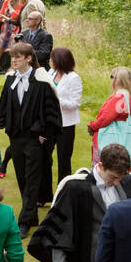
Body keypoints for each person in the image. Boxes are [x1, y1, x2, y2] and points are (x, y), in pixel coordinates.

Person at [0, 42, 63, 237]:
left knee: (33, 180)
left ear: (28, 58)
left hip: (35, 139)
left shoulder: (42, 82)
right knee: (22, 179)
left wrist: (43, 136)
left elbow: (52, 111)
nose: (14, 60)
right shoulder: (10, 80)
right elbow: (4, 105)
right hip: (16, 138)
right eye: (13, 57)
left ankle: (24, 222)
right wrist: (4, 124)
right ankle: (31, 216)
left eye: (18, 57)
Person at [88, 66, 131, 167]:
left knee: (101, 171)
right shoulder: (129, 99)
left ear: (116, 80)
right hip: (122, 142)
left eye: (112, 77)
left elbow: (105, 118)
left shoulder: (119, 98)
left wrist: (92, 126)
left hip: (107, 143)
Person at [49, 47, 82, 183]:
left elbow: (75, 103)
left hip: (66, 124)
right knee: (45, 157)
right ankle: (45, 193)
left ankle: (63, 189)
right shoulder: (50, 72)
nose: (50, 61)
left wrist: (56, 99)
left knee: (64, 159)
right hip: (49, 121)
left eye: (52, 58)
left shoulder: (74, 78)